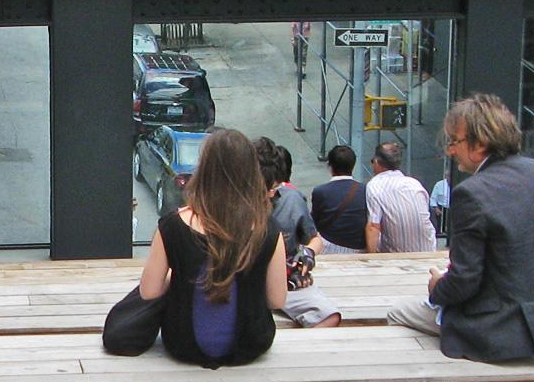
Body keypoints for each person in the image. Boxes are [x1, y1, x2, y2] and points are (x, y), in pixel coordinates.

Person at [386, 94, 534, 362]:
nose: (449, 150)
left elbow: (464, 282)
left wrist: (436, 287)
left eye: (454, 141)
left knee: (396, 311)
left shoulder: (472, 193)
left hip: (505, 331)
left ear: (481, 144)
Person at [106, 129, 287, 367]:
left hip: (184, 344)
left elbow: (149, 292)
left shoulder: (172, 226)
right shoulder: (268, 228)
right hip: (249, 345)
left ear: (204, 169)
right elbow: (277, 300)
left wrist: (180, 274)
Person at [255, 138, 340, 328]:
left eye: (274, 187)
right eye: (264, 188)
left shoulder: (292, 200)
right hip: (247, 286)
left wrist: (308, 253)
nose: (270, 194)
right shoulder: (234, 205)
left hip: (290, 283)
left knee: (329, 316)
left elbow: (315, 239)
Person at [365, 139, 436, 254]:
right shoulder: (415, 184)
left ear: (377, 162)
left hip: (396, 255)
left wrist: (370, 260)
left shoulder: (375, 185)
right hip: (428, 251)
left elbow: (373, 226)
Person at [310, 144, 368, 254]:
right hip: (358, 248)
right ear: (353, 165)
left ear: (330, 166)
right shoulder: (365, 190)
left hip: (328, 247)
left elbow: (314, 223)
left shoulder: (320, 191)